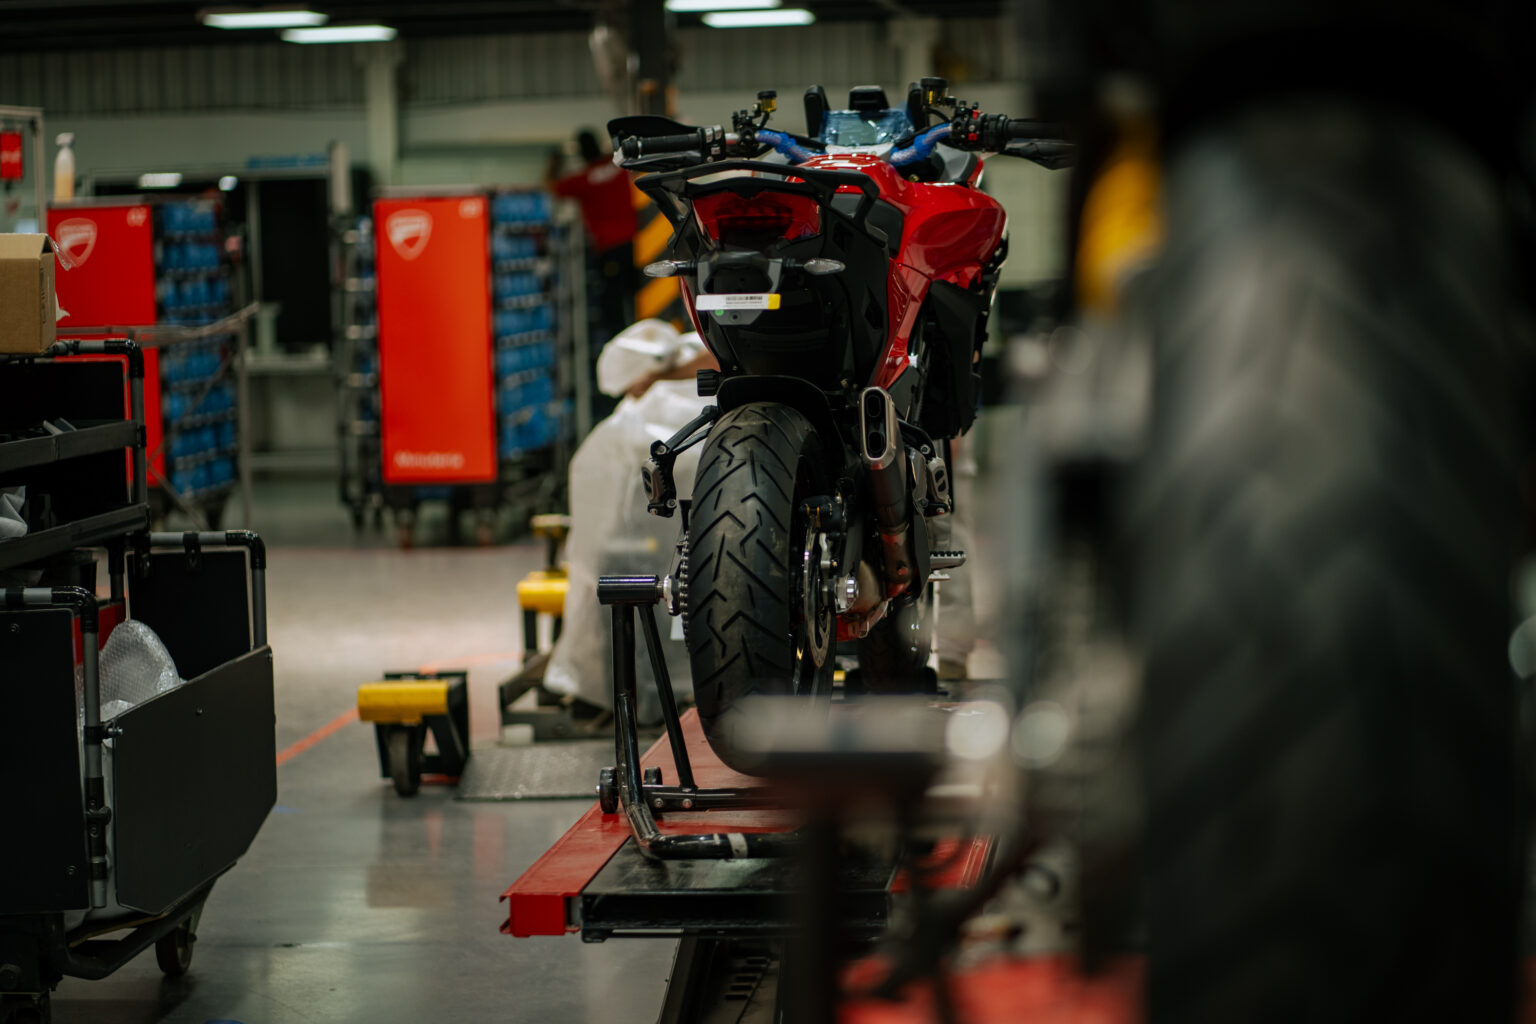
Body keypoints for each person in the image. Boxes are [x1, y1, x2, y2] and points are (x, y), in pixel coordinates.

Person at [546, 129, 640, 422]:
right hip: (636, 248)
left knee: (613, 318)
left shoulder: (584, 179)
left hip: (609, 252)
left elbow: (551, 187)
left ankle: (622, 363)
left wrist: (554, 162)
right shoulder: (618, 167)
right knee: (637, 304)